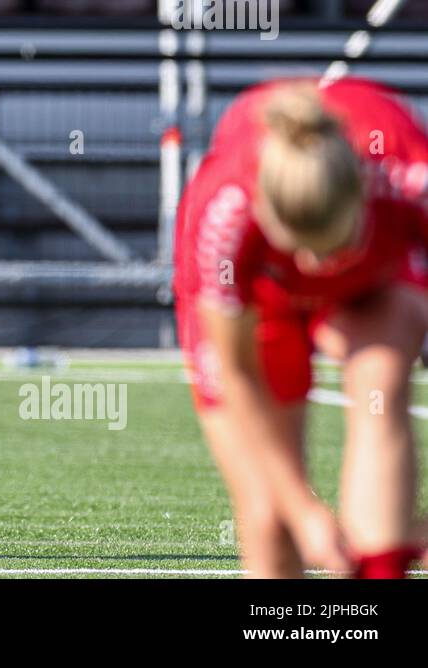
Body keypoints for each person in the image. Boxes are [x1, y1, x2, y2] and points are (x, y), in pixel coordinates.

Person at [174, 75, 428, 578]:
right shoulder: (224, 214)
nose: (315, 267)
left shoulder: (408, 179)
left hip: (372, 280)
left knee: (381, 385)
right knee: (269, 518)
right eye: (300, 249)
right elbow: (235, 373)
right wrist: (304, 509)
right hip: (264, 305)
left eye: (333, 247)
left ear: (361, 193)